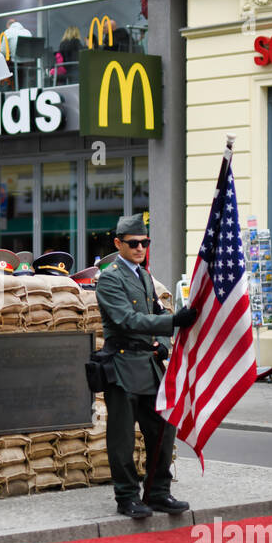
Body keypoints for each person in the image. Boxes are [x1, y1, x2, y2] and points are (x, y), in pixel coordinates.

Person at [95, 215, 197, 519]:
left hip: (148, 364)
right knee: (122, 437)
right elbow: (126, 320)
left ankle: (157, 493)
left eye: (145, 242)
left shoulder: (142, 275)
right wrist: (171, 323)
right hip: (123, 366)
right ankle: (127, 497)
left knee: (164, 430)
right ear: (118, 244)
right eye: (133, 243)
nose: (140, 248)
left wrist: (159, 340)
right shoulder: (110, 277)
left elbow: (148, 315)